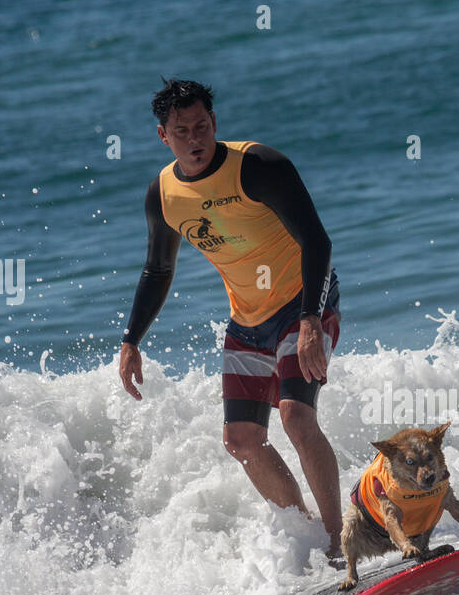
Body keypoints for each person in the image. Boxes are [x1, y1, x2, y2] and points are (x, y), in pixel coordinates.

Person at [118, 79, 344, 562]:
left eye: (202, 125)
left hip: (303, 301)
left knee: (295, 417)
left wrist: (309, 322)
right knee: (241, 440)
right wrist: (131, 339)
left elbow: (318, 242)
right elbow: (158, 269)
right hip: (248, 320)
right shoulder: (164, 195)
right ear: (163, 135)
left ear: (215, 123)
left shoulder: (259, 167)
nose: (195, 138)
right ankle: (309, 544)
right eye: (182, 131)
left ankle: (340, 541)